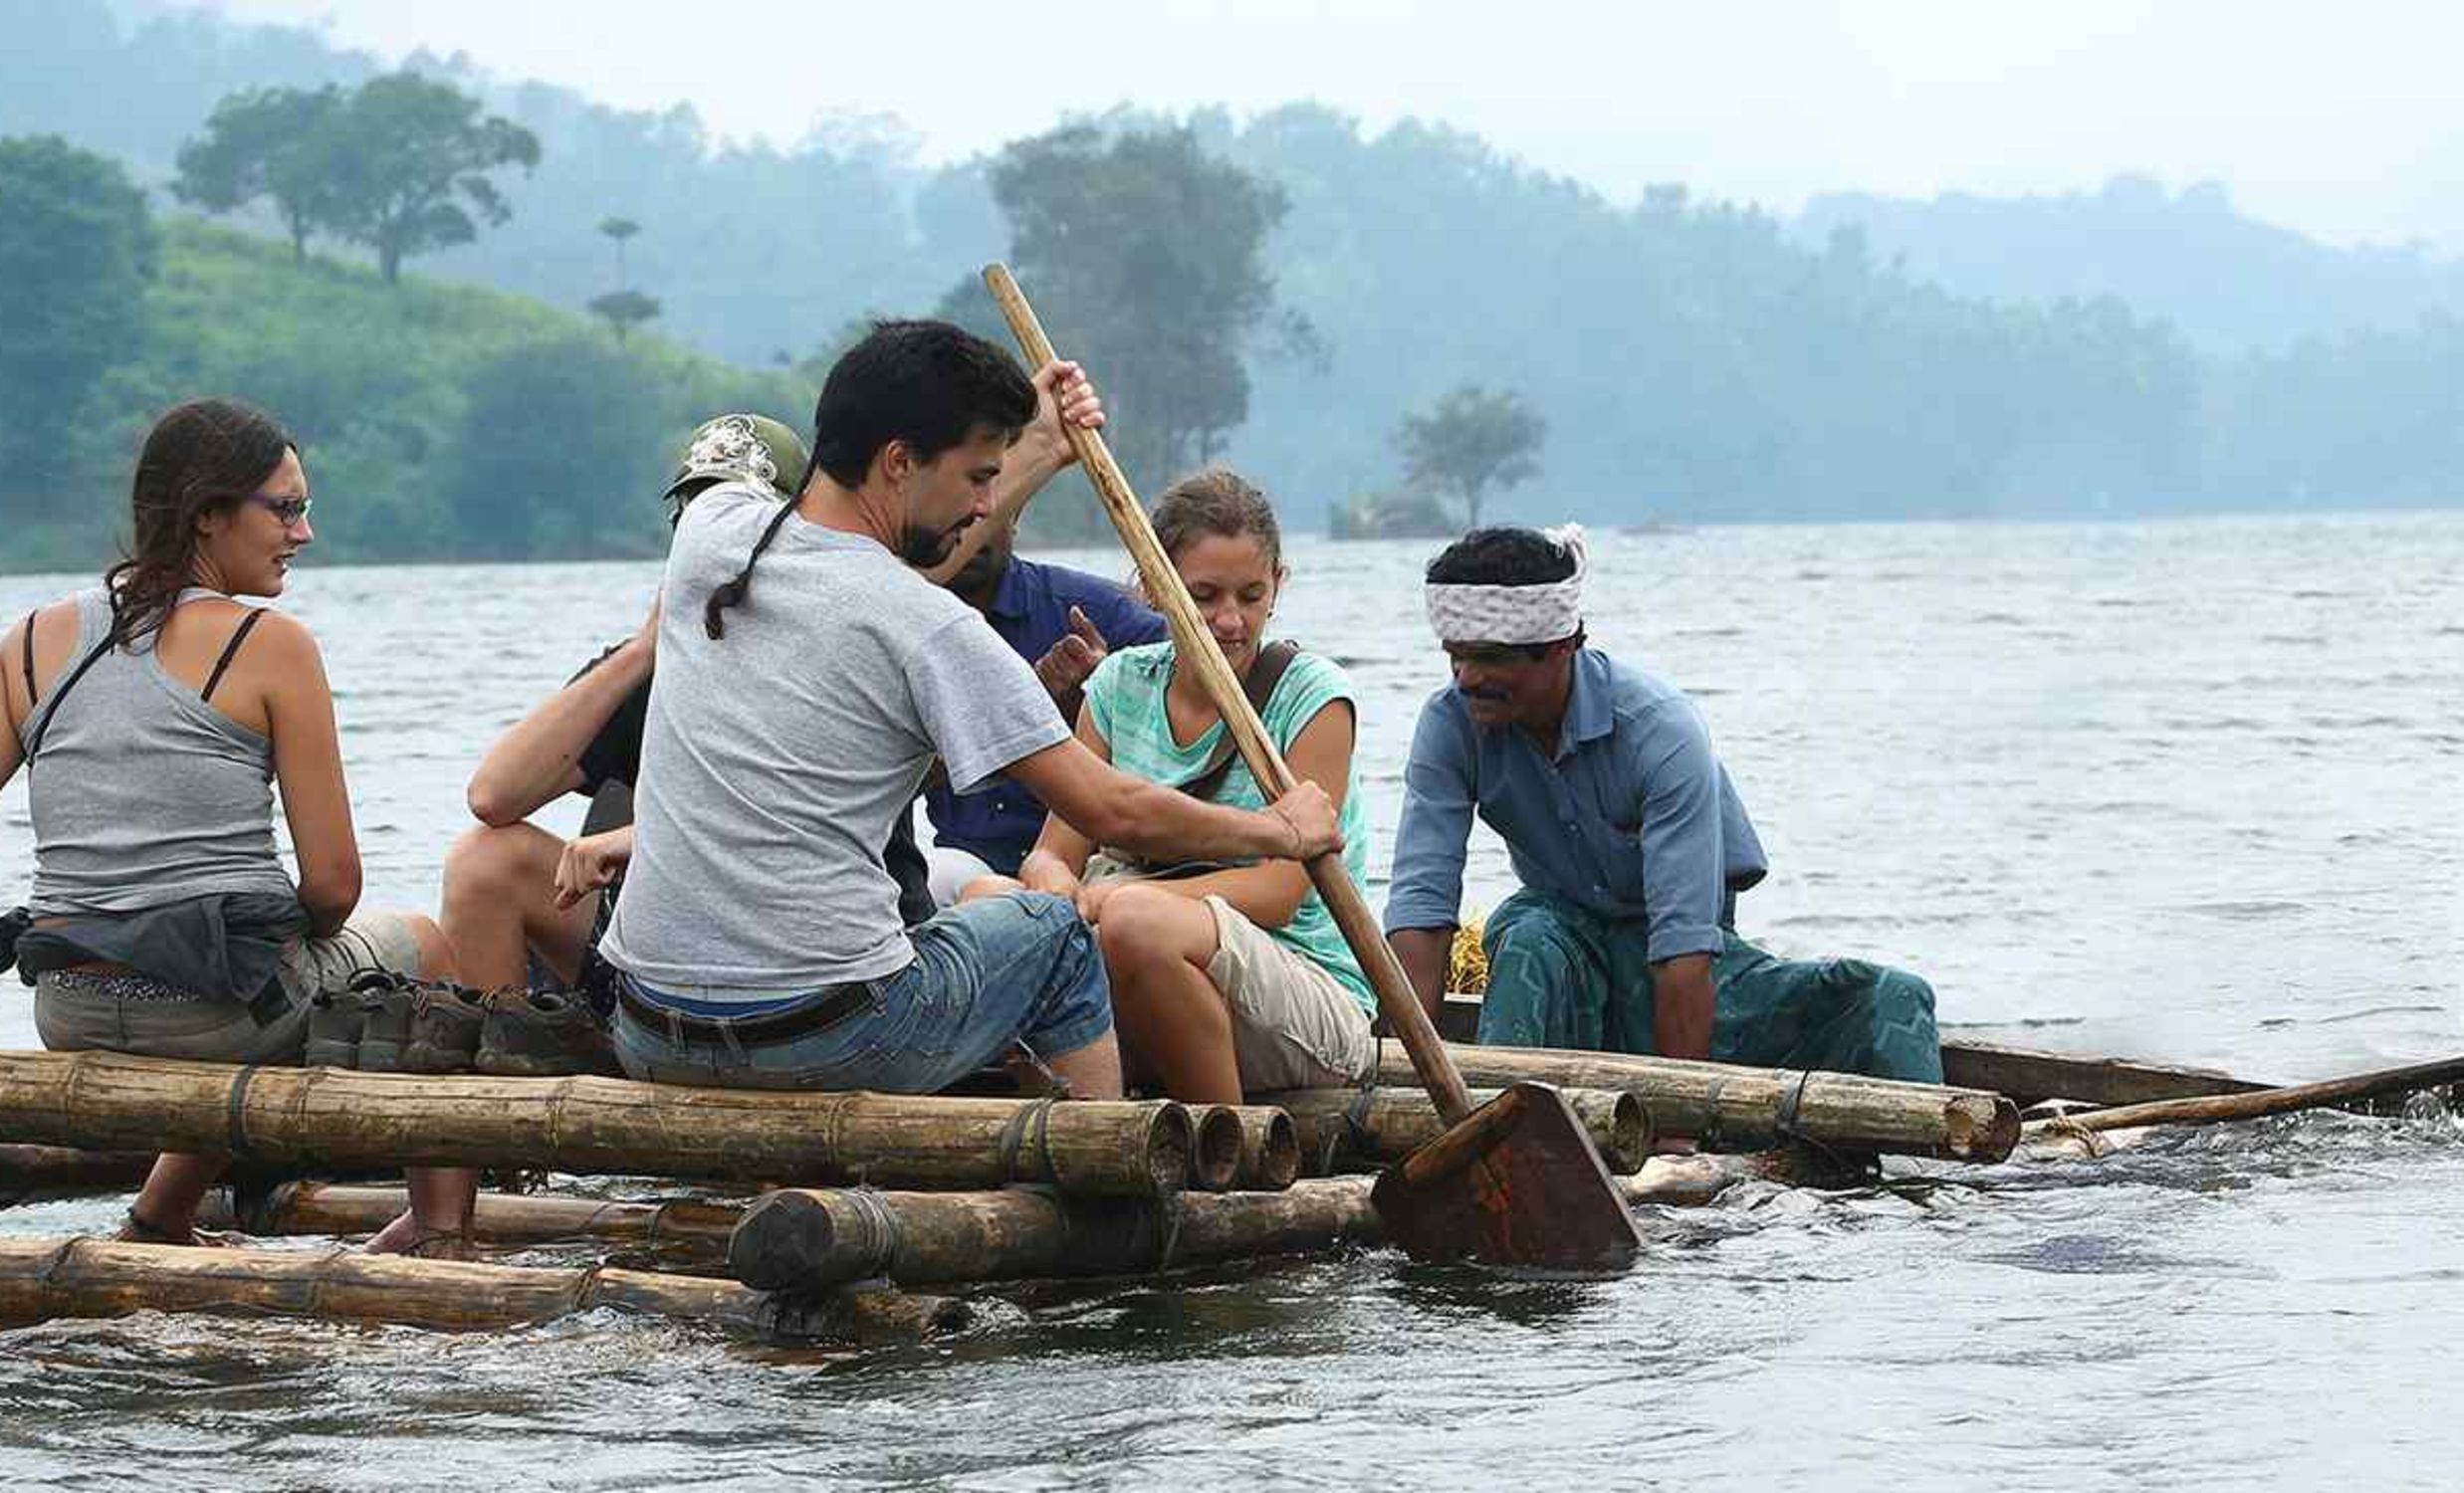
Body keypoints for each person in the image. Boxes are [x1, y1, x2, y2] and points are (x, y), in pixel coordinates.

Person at [592, 320, 1341, 1097]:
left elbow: (861, 561)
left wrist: (1040, 447)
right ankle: (1101, 1164)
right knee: (1054, 935)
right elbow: (1109, 808)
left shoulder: (712, 531)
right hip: (831, 1038)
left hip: (647, 1026)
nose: (988, 506)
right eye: (978, 478)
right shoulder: (932, 627)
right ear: (897, 462)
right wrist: (1278, 830)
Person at [0, 399, 479, 1253]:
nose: (304, 532)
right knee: (426, 947)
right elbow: (334, 884)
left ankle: (160, 1220)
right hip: (215, 1016)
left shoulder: (32, 638)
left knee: (241, 961)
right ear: (206, 513)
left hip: (66, 1004)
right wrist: (284, 940)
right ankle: (441, 1231)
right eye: (286, 508)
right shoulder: (270, 643)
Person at [1382, 526, 1943, 1086]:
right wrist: (1400, 1080)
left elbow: (1683, 945)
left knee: (1890, 997)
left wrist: (1679, 1115)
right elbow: (1421, 906)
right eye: (1455, 658)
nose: (1466, 678)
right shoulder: (1450, 723)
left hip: (1675, 963)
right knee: (1528, 936)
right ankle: (1505, 1113)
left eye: (1489, 659)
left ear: (1559, 648)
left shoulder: (1659, 730)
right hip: (1564, 949)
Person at [438, 414, 936, 1020]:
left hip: (836, 962)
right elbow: (494, 795)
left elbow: (779, 829)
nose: (715, 539)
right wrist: (643, 651)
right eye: (695, 518)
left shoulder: (842, 654)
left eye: (737, 518)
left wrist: (637, 840)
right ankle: (517, 1054)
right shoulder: (655, 662)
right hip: (675, 955)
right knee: (485, 862)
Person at [970, 471, 1376, 1104]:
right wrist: (1056, 888)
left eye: (1251, 595)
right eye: (1203, 596)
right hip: (1137, 954)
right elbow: (1053, 852)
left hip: (1304, 1000)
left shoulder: (1312, 698)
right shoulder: (1118, 685)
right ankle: (1084, 1121)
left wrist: (1114, 901)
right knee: (984, 900)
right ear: (1152, 588)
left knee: (1136, 920)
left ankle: (1222, 1137)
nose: (1231, 621)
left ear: (1278, 585)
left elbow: (1277, 895)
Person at [922, 495, 1168, 904]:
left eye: (985, 515)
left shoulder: (1110, 615)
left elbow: (1177, 746)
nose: (970, 530)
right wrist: (1035, 705)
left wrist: (1105, 696)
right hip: (965, 863)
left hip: (1091, 869)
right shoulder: (904, 624)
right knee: (935, 878)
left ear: (1014, 514)